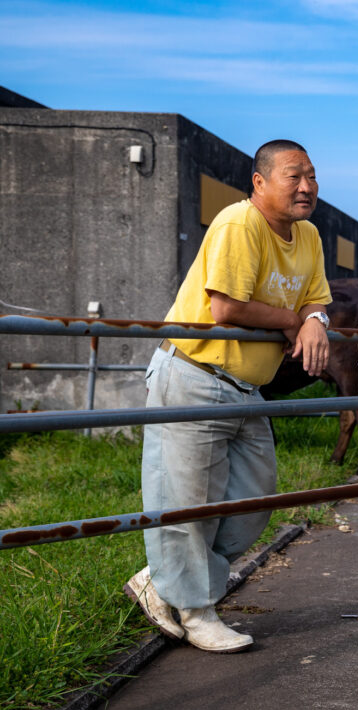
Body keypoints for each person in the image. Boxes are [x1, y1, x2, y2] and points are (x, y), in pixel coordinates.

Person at [124, 140, 333, 653]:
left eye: (311, 176)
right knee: (188, 502)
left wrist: (316, 320)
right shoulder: (240, 223)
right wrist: (293, 320)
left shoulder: (307, 235)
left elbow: (317, 301)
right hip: (195, 373)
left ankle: (161, 579)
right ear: (259, 182)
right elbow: (226, 308)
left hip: (246, 388)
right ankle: (196, 612)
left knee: (254, 501)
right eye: (293, 176)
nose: (306, 187)